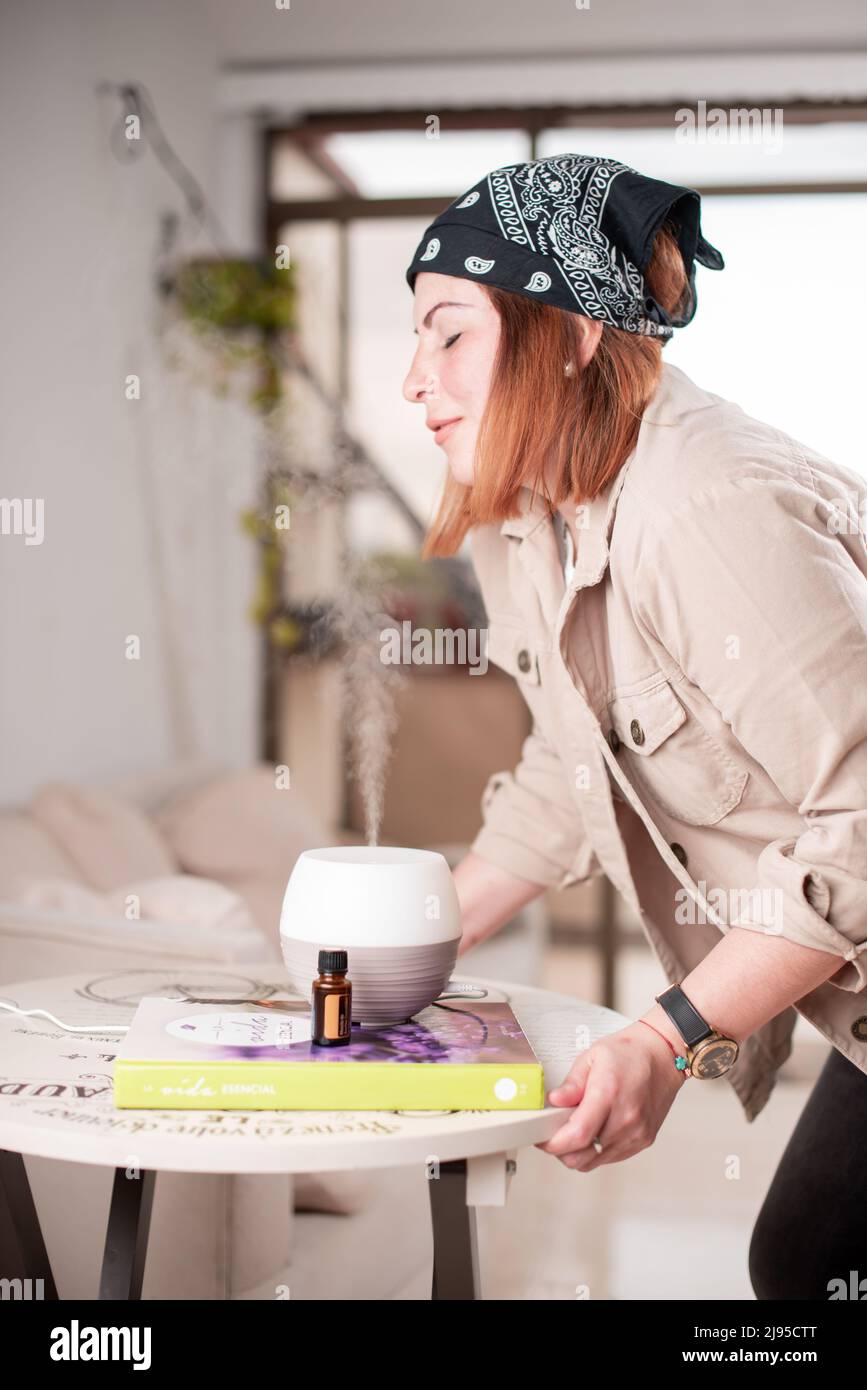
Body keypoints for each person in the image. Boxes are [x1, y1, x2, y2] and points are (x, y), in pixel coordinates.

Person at [402, 154, 867, 1299]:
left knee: (812, 1266)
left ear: (567, 333)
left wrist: (664, 1039)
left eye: (450, 333)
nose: (414, 380)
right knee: (810, 1262)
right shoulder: (533, 523)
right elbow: (573, 770)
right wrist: (404, 954)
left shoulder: (705, 505)